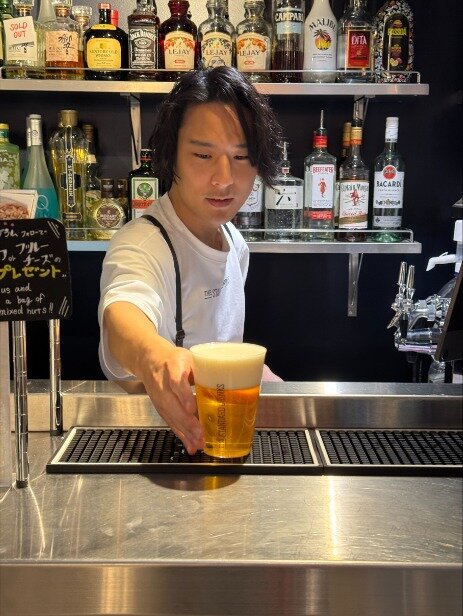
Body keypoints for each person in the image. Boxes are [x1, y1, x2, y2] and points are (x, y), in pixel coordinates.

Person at [98, 66, 283, 454]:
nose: (224, 178)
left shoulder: (234, 242)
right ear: (172, 156)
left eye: (241, 156)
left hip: (218, 440)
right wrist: (156, 358)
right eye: (203, 155)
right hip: (153, 448)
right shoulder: (142, 242)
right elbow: (123, 310)